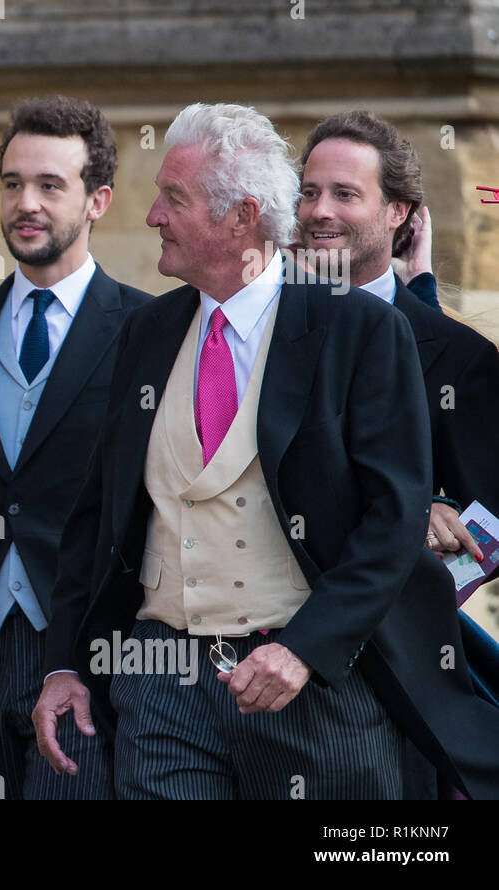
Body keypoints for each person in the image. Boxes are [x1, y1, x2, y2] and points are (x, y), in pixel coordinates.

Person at [32, 102, 497, 799]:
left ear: (241, 217)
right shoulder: (146, 333)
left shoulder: (358, 330)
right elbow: (97, 515)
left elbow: (393, 520)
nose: (152, 216)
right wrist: (65, 662)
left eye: (173, 199)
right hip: (162, 688)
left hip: (315, 691)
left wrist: (304, 650)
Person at [0, 96, 149, 800]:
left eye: (50, 185)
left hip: (89, 653)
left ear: (99, 201)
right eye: (12, 183)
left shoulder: (150, 330)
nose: (25, 203)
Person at [295, 109, 499, 797]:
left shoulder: (461, 358)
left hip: (399, 684)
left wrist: (423, 532)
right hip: (252, 669)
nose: (319, 211)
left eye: (345, 195)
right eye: (308, 191)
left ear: (400, 212)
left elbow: (492, 529)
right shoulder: (251, 331)